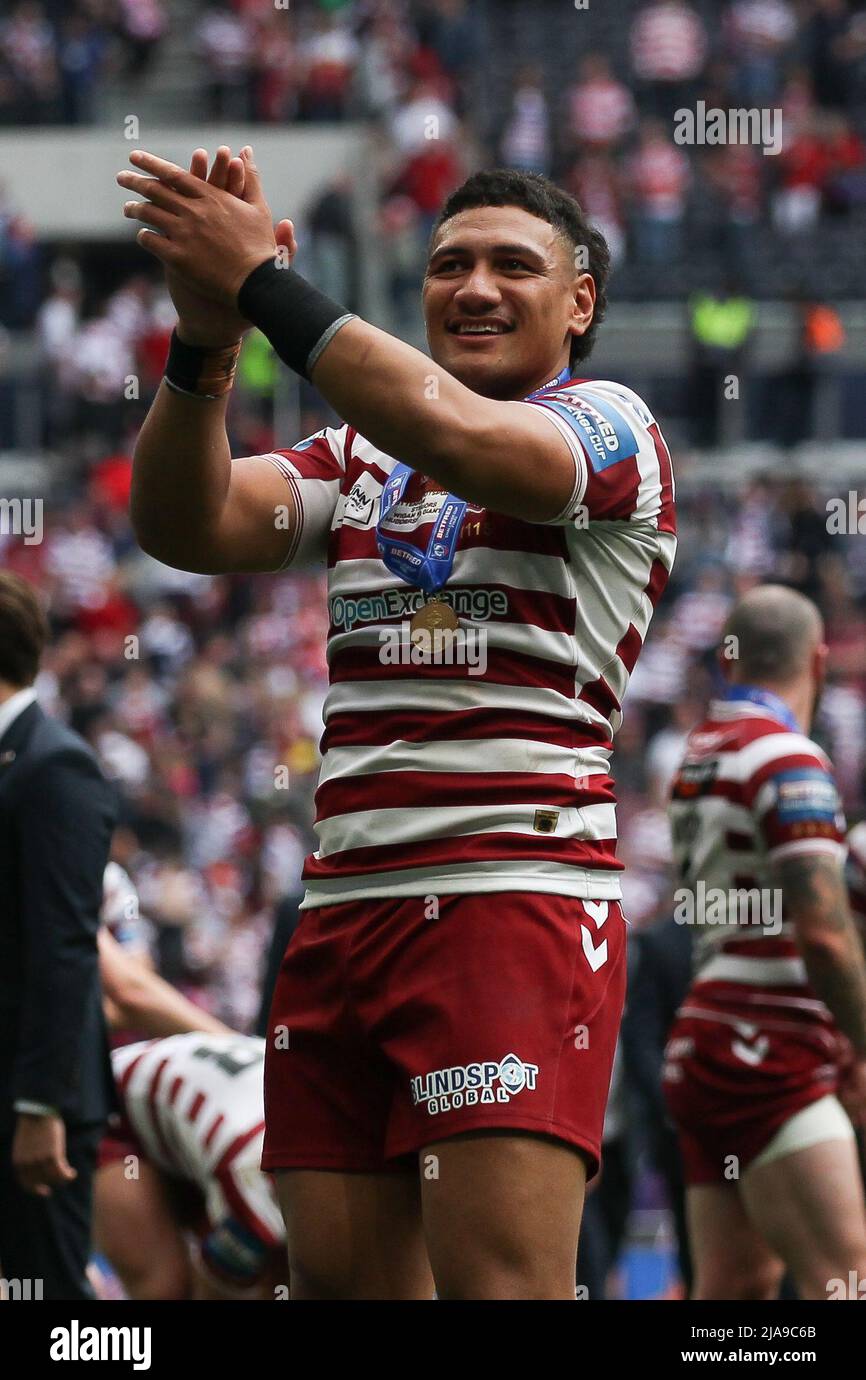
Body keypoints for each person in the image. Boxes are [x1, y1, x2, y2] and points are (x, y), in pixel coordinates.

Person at [116, 146, 676, 1300]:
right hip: (337, 923)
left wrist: (267, 287)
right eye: (447, 264)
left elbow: (469, 443)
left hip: (505, 909)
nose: (472, 286)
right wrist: (208, 338)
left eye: (511, 266)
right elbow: (186, 522)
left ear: (579, 304)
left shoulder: (607, 427)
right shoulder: (359, 456)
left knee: (500, 1289)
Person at [664, 585, 866, 1299]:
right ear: (817, 661)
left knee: (734, 1295)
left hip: (706, 1040)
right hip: (770, 1046)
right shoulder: (784, 755)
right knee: (845, 1283)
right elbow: (824, 934)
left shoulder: (699, 754)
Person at [0, 570, 117, 1299]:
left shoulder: (54, 766)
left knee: (50, 1307)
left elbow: (64, 947)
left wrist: (39, 1107)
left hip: (32, 1104)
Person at [94, 1032, 285, 1300]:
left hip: (205, 1122)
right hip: (115, 1109)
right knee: (165, 1290)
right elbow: (215, 1292)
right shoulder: (257, 1185)